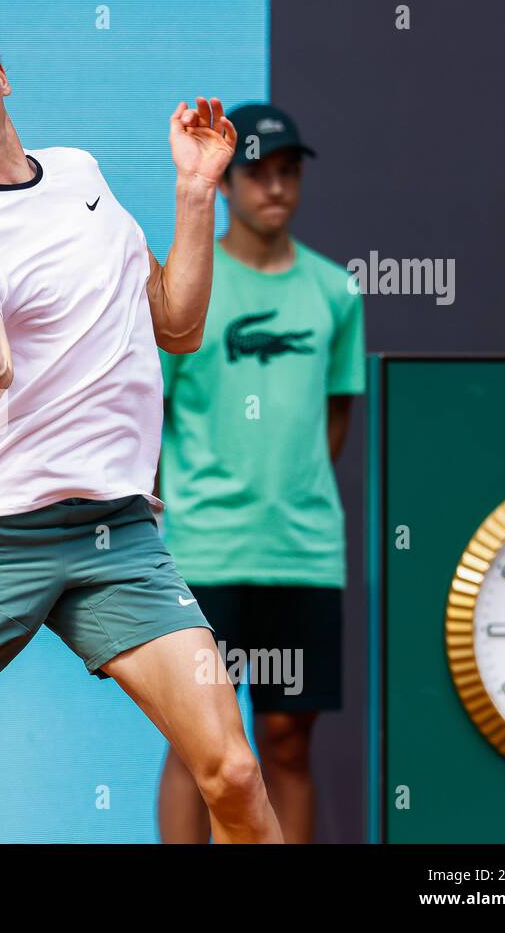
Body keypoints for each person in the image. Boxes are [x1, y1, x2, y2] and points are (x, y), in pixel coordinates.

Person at [0, 8, 282, 843]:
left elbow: (175, 322)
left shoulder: (78, 174)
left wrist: (193, 194)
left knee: (235, 771)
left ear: (4, 76)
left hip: (116, 531)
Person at [155, 103, 366, 843]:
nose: (274, 188)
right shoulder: (186, 289)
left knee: (286, 743)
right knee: (201, 748)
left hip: (303, 555)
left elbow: (334, 417)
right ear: (226, 182)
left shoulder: (337, 292)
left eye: (288, 172)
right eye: (257, 173)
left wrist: (288, 490)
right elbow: (152, 420)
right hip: (205, 553)